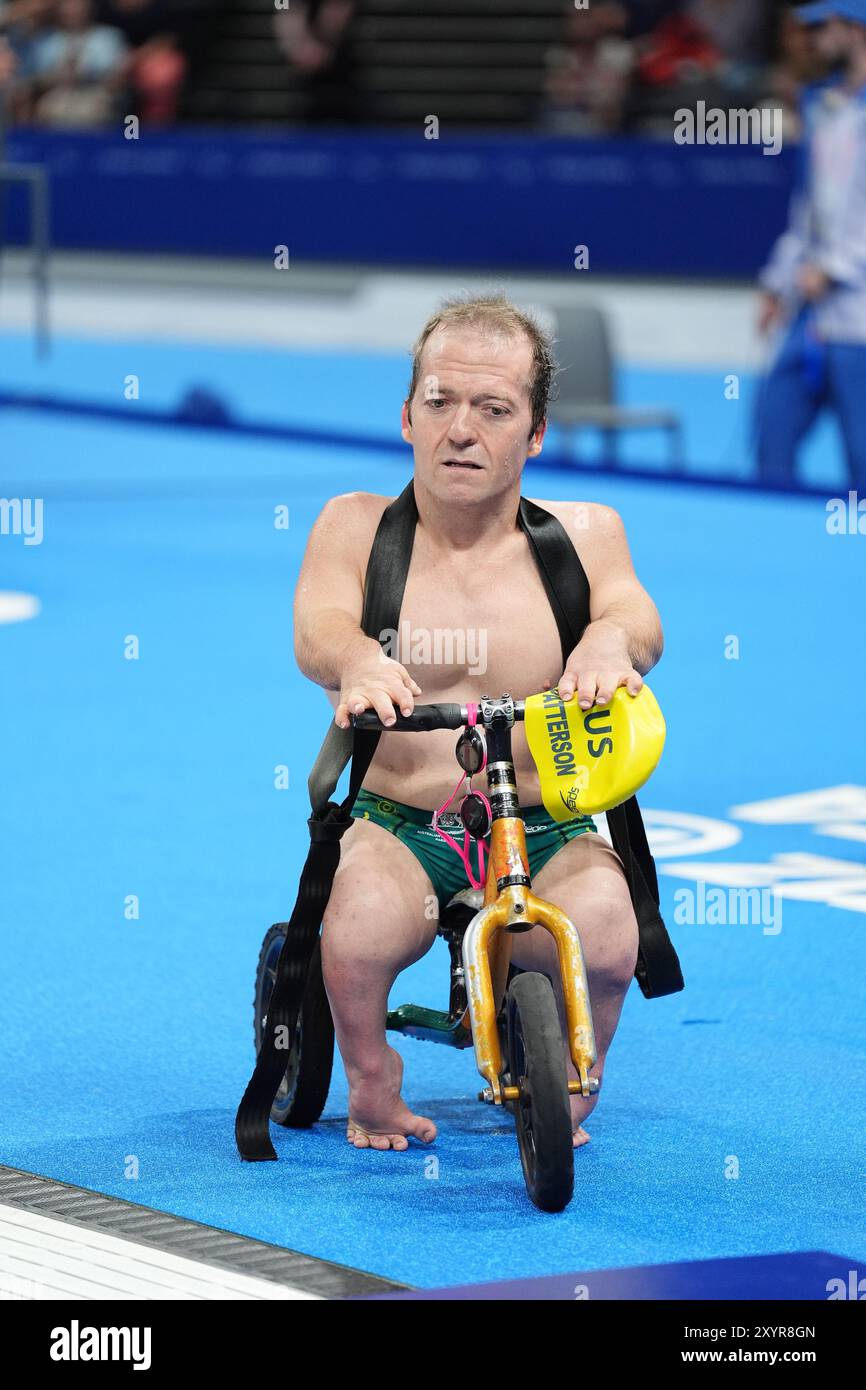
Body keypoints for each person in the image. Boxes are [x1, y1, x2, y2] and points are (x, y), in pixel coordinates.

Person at [293, 295, 665, 1152]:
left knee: (609, 939)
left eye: (494, 409)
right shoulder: (354, 525)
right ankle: (373, 1080)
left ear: (535, 433)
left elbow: (636, 616)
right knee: (356, 933)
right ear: (407, 416)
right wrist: (356, 660)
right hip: (402, 823)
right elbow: (318, 627)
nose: (461, 430)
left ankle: (569, 1086)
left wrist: (609, 641)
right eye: (440, 402)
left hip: (545, 827)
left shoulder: (587, 534)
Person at [756, 1, 866, 490]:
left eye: (823, 26)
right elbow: (810, 211)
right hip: (811, 314)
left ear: (855, 29)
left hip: (860, 319)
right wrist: (777, 283)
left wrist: (836, 267)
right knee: (772, 439)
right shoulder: (823, 106)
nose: (813, 39)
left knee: (862, 459)